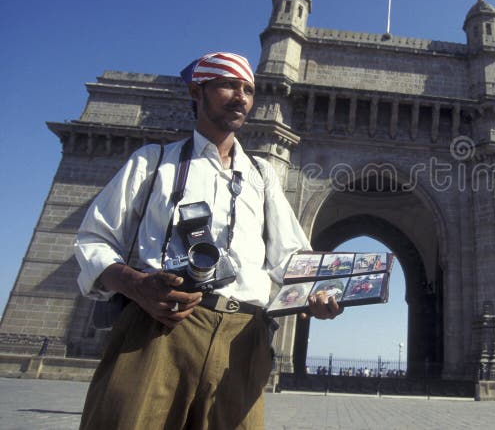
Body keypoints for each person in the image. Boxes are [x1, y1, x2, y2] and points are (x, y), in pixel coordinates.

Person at [75, 52, 341, 430]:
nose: (241, 97)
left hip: (242, 339)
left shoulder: (261, 175)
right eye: (229, 85)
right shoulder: (153, 162)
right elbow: (93, 239)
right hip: (158, 329)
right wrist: (134, 284)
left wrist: (317, 291)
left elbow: (290, 256)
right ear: (196, 92)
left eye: (248, 89)